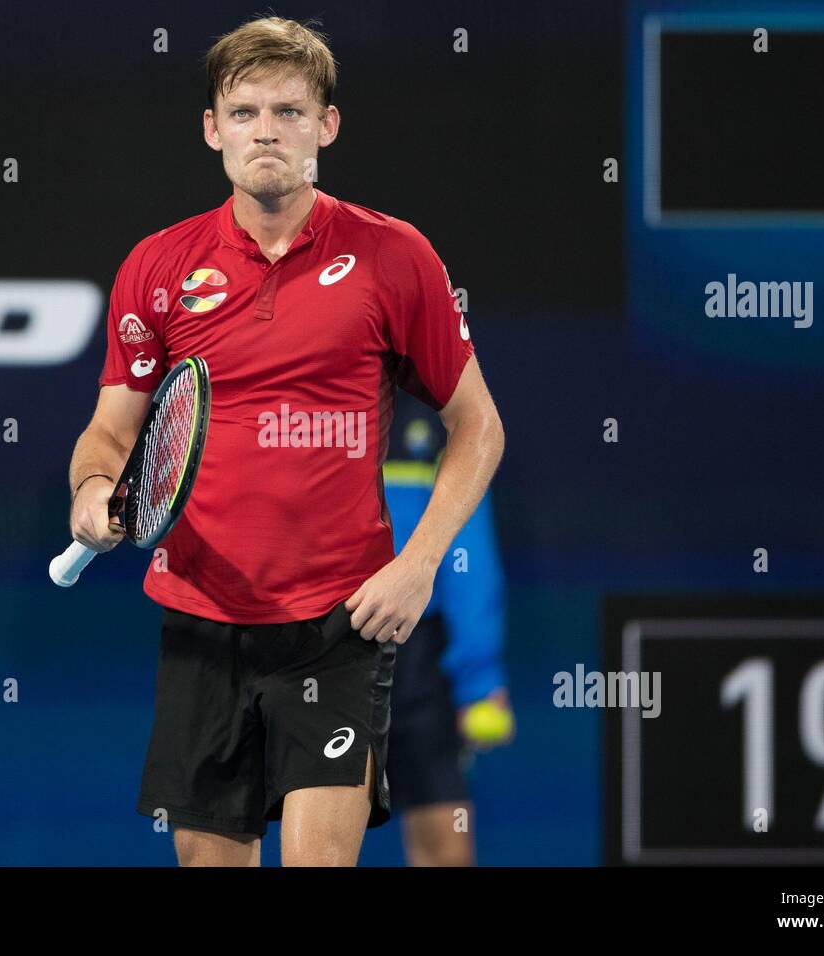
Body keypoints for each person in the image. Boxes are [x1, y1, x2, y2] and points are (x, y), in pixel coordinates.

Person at [66, 15, 504, 866]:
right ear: (212, 130)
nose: (266, 130)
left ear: (327, 126)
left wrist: (418, 565)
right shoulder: (157, 267)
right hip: (201, 619)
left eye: (290, 111)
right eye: (244, 112)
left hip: (337, 623)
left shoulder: (394, 255)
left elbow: (477, 426)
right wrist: (92, 491)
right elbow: (111, 432)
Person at [383, 405, 514, 866]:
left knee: (443, 840)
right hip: (329, 649)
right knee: (322, 834)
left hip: (421, 657)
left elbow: (469, 552)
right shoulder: (308, 408)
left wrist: (479, 680)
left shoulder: (442, 419)